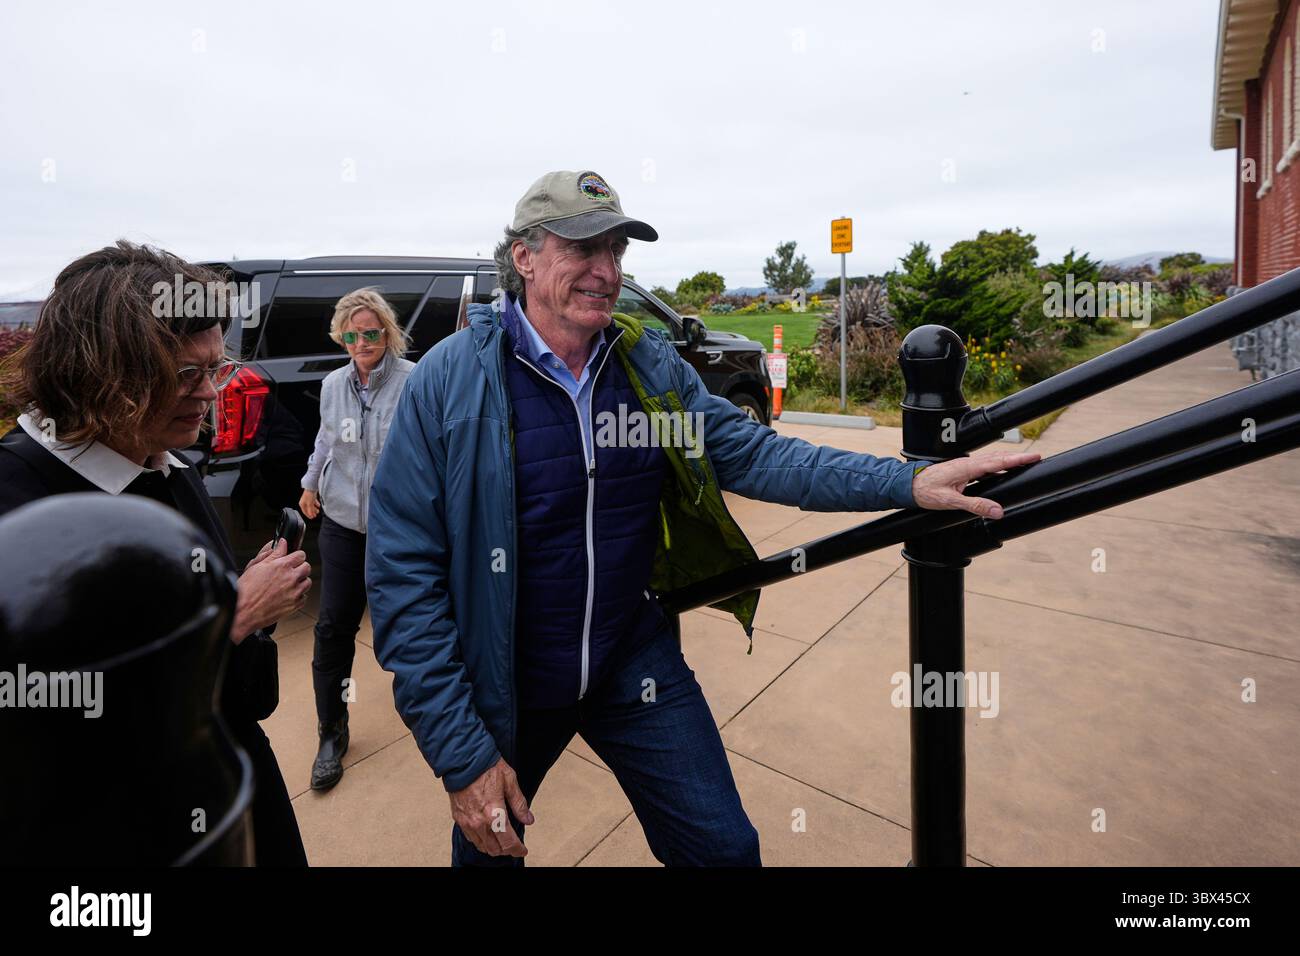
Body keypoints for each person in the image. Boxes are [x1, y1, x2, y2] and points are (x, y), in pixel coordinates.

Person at [365, 170, 1039, 866]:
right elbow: (402, 575)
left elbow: (753, 456)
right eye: (583, 249)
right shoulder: (448, 384)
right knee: (489, 855)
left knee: (723, 851)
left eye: (617, 252)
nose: (607, 271)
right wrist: (463, 757)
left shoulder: (645, 369)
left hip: (630, 658)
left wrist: (910, 481)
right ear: (524, 258)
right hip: (507, 678)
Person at [0, 240, 312, 867]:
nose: (210, 395)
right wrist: (234, 615)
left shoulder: (169, 466)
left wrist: (236, 602)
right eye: (183, 375)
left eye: (216, 369)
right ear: (98, 373)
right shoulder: (15, 502)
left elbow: (240, 695)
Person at [298, 288, 414, 790]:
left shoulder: (415, 381)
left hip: (400, 526)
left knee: (414, 628)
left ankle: (446, 719)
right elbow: (326, 439)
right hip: (343, 523)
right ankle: (332, 730)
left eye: (371, 331)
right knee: (333, 629)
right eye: (351, 333)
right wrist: (308, 483)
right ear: (340, 336)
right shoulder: (332, 385)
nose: (361, 340)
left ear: (386, 332)